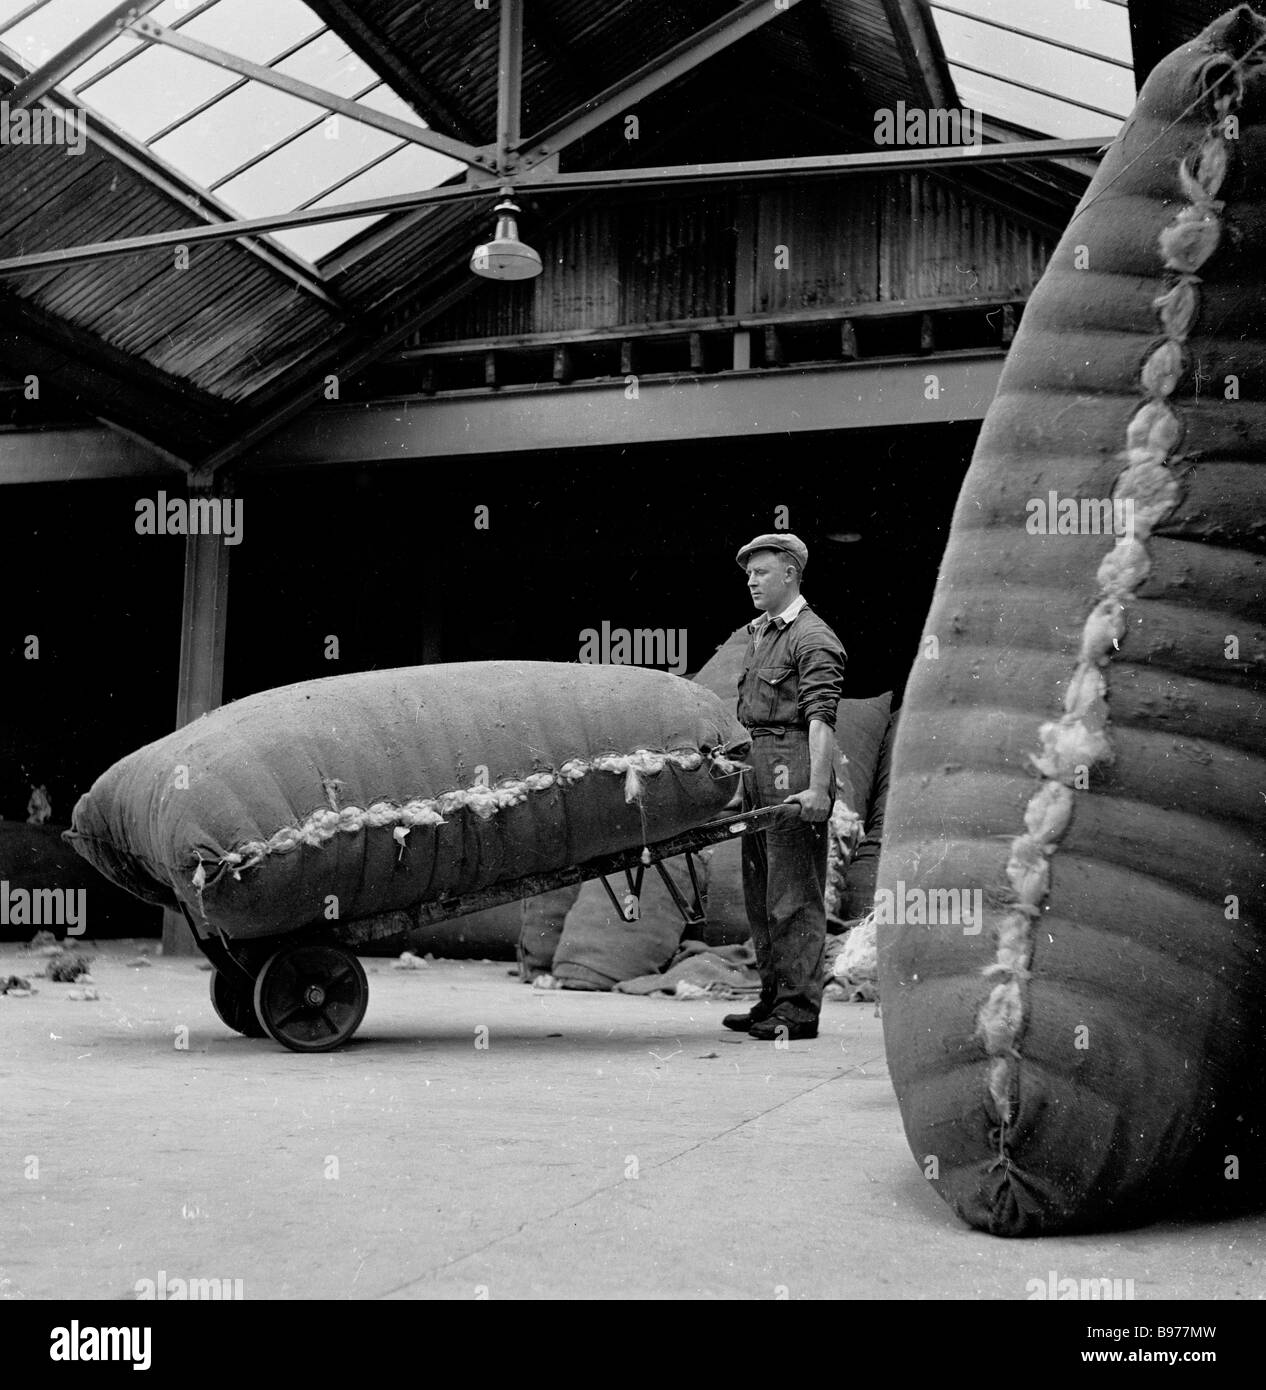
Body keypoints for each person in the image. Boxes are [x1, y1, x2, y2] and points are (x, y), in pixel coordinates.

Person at [725, 534, 846, 1041]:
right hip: (758, 765)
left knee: (794, 893)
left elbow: (821, 720)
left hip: (793, 765)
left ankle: (798, 1010)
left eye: (763, 572)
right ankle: (774, 996)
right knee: (761, 894)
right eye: (749, 573)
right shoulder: (761, 634)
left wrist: (818, 789)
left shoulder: (812, 637)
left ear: (791, 574)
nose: (752, 581)